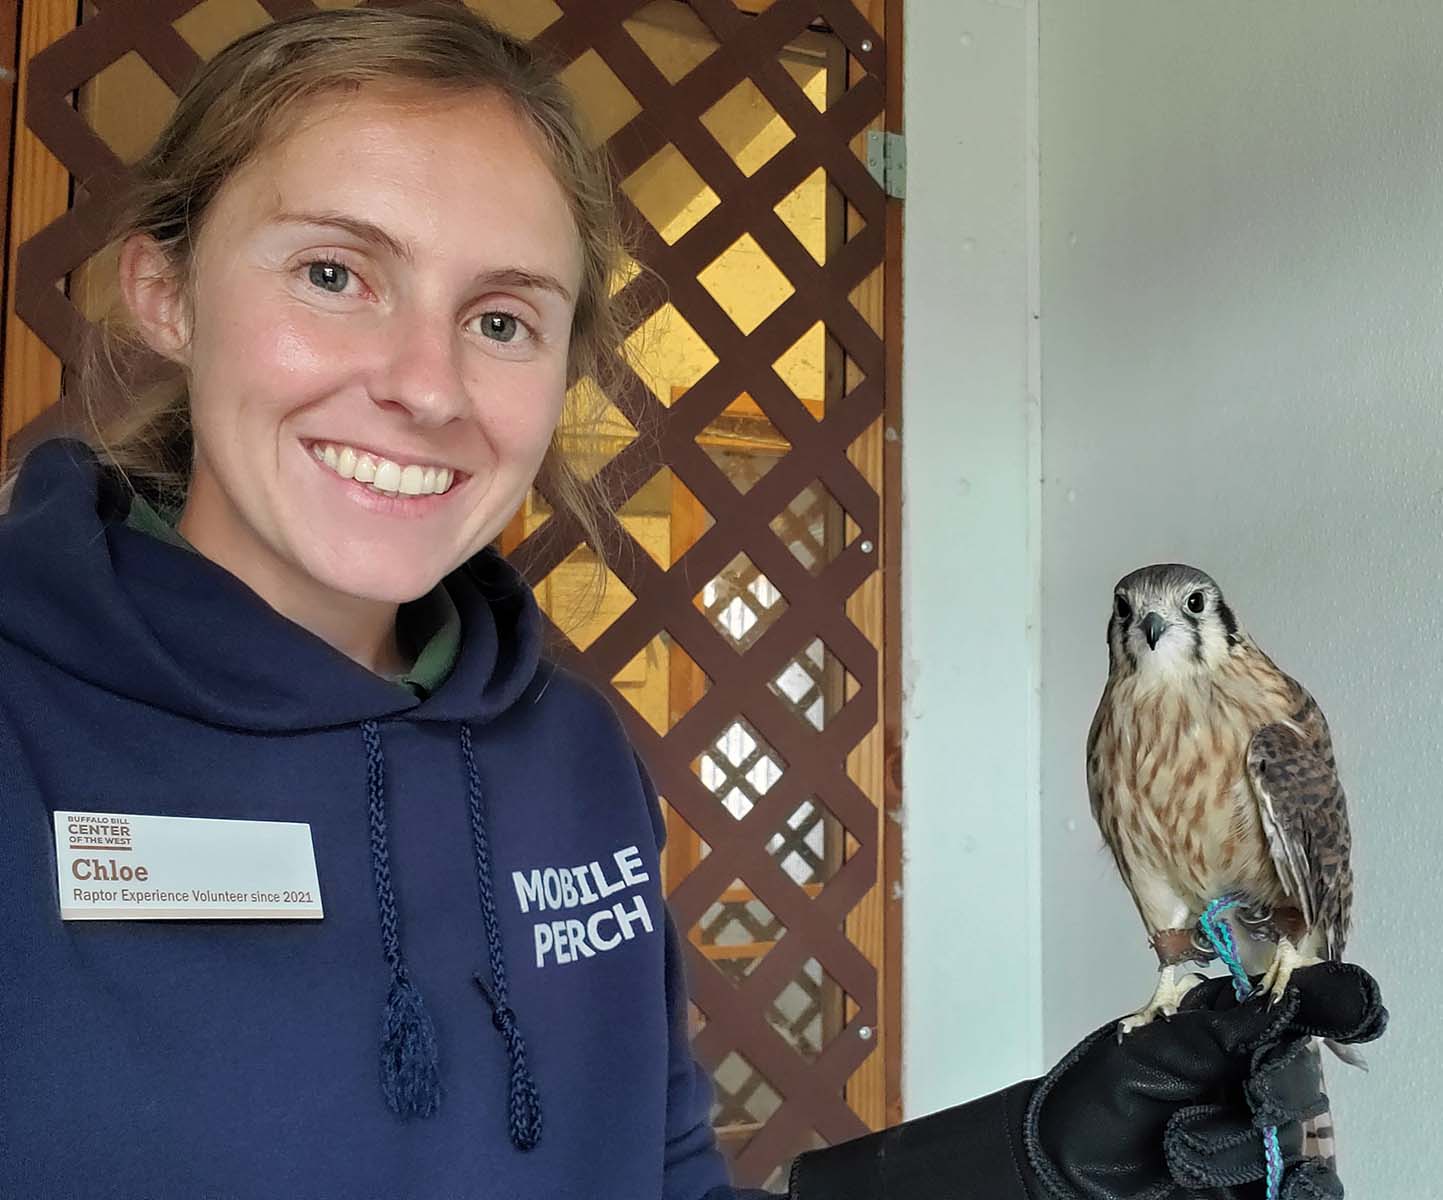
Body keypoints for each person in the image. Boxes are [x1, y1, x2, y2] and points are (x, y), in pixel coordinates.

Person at [0, 5, 1384, 1198]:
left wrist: (1022, 1167)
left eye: (500, 318)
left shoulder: (571, 762)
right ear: (165, 293)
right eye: (333, 273)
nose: (424, 383)